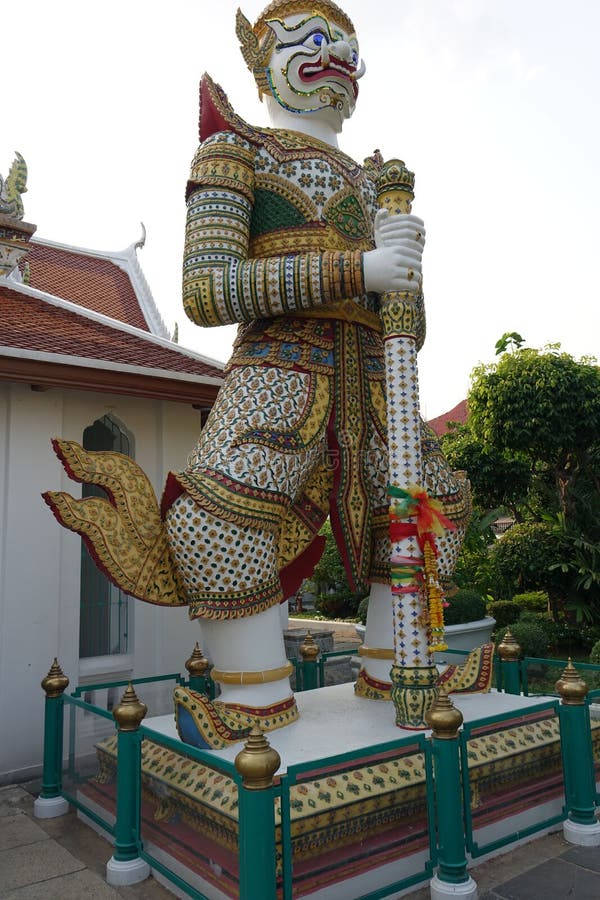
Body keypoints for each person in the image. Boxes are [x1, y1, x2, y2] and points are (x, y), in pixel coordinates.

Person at [162, 0, 469, 748]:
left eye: (347, 48)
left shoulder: (373, 184)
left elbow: (410, 331)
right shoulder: (237, 151)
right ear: (261, 56)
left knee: (437, 511)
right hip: (281, 365)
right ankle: (253, 696)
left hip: (375, 377)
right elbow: (206, 291)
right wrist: (358, 266)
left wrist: (404, 278)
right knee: (214, 518)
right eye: (311, 41)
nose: (339, 59)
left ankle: (396, 667)